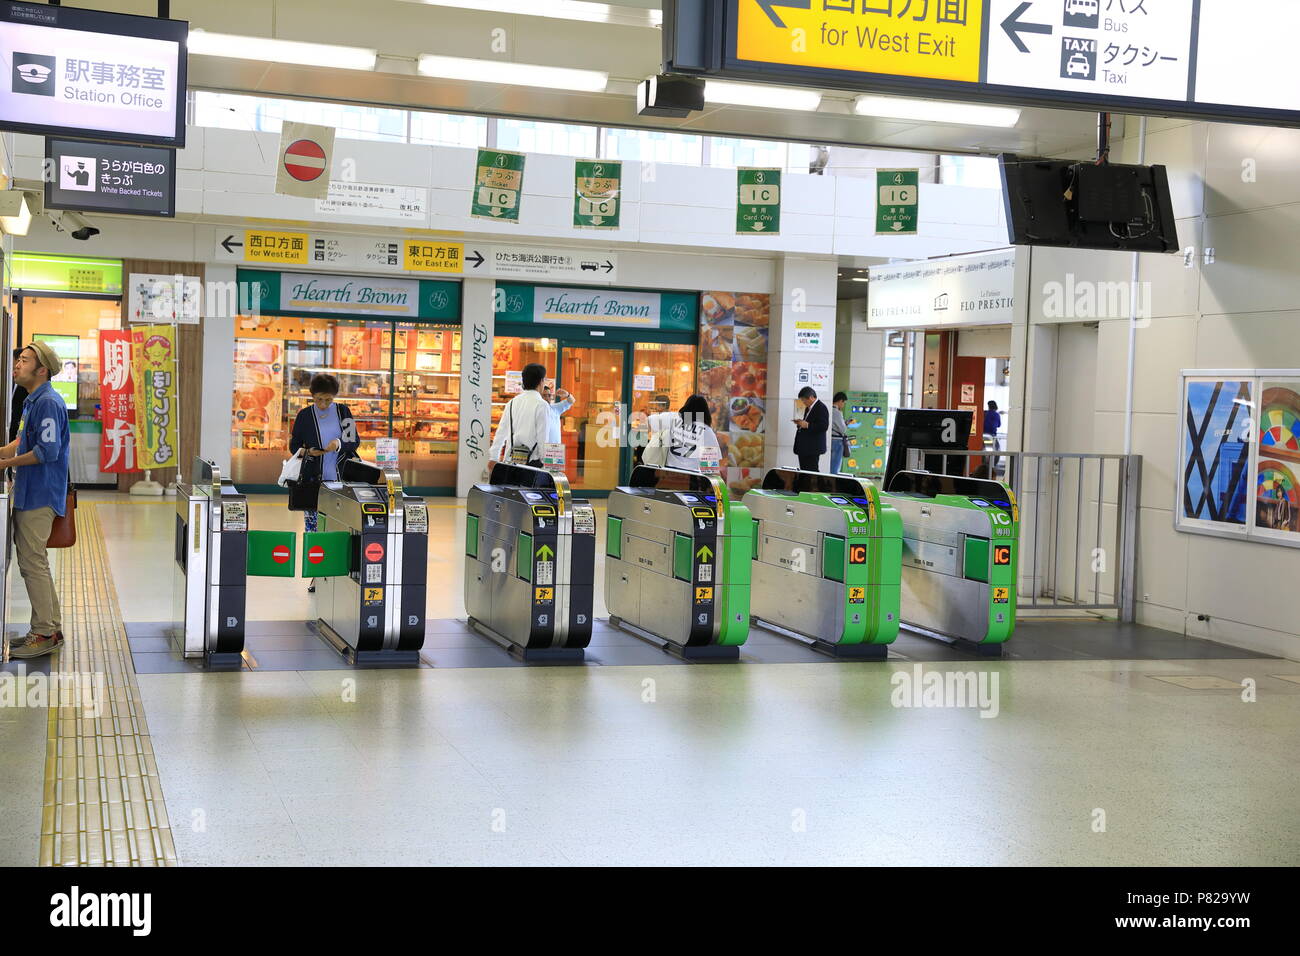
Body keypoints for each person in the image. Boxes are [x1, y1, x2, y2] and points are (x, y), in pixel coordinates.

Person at [0, 342, 71, 660]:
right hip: (30, 491)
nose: (17, 364)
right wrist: (5, 454)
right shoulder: (33, 401)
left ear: (41, 369)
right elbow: (21, 442)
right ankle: (47, 627)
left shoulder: (48, 403)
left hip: (40, 494)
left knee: (33, 563)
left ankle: (45, 632)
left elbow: (47, 452)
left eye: (24, 360)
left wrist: (5, 465)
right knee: (33, 563)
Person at [289, 372, 360, 540]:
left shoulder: (343, 412)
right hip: (312, 481)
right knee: (313, 526)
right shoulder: (304, 416)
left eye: (328, 399)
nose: (323, 404)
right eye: (319, 399)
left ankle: (334, 559)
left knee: (339, 525)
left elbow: (354, 441)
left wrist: (338, 443)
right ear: (312, 395)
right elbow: (294, 445)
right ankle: (314, 558)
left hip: (341, 480)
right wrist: (307, 452)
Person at [489, 363, 552, 468]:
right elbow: (543, 439)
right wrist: (546, 464)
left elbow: (501, 433)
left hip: (510, 463)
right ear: (541, 381)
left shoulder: (512, 403)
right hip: (531, 465)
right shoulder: (542, 405)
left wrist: (494, 457)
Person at [665, 394, 720, 472]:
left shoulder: (673, 423)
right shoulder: (706, 431)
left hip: (668, 473)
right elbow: (710, 466)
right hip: (691, 478)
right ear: (705, 412)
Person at [793, 386, 829, 472]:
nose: (803, 402)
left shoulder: (821, 407)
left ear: (811, 397)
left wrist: (807, 425)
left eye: (804, 400)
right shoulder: (809, 408)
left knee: (812, 471)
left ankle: (816, 485)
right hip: (805, 447)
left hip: (812, 448)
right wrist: (800, 423)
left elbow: (824, 426)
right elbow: (808, 423)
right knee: (804, 472)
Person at [540, 379, 573, 445]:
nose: (547, 398)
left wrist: (567, 395)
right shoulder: (535, 410)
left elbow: (571, 401)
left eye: (549, 395)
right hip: (541, 448)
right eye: (544, 395)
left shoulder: (555, 408)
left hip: (555, 449)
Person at [829, 391, 850, 474]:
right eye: (843, 402)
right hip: (837, 441)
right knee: (835, 465)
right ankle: (832, 483)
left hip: (830, 439)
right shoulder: (837, 412)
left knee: (830, 463)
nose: (843, 405)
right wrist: (846, 424)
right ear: (840, 401)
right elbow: (843, 429)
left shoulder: (828, 409)